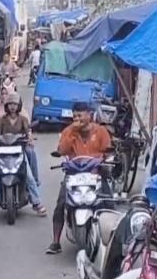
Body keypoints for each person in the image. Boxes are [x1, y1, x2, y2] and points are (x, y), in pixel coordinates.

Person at [46, 102, 112, 254]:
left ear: (89, 115)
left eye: (80, 115)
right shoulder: (69, 131)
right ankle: (55, 242)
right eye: (74, 116)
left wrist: (106, 162)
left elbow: (108, 151)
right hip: (74, 174)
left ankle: (113, 240)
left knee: (109, 202)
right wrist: (72, 131)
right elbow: (62, 150)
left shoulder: (101, 131)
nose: (77, 119)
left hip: (96, 173)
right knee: (61, 203)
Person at [0, 92, 46, 216]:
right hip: (3, 149)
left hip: (19, 149)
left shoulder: (23, 119)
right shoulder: (2, 120)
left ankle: (36, 202)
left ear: (19, 105)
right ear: (6, 105)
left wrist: (29, 138)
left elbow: (28, 131)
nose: (12, 106)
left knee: (29, 174)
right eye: (10, 104)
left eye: (15, 104)